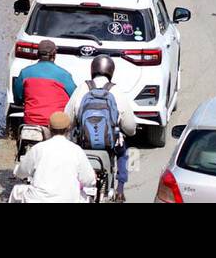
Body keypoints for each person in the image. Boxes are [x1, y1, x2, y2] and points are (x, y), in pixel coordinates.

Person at [65, 55, 137, 202]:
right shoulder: (116, 92)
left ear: (93, 70)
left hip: (82, 143)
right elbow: (130, 128)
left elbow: (67, 119)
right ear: (111, 72)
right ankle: (120, 190)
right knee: (124, 153)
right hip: (108, 145)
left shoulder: (82, 88)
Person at [9, 110, 96, 203]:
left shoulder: (38, 148)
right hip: (68, 200)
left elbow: (21, 173)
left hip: (38, 199)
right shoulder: (76, 150)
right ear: (69, 128)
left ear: (49, 127)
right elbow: (89, 180)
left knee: (16, 190)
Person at [11, 40, 76, 132]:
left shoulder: (24, 72)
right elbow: (74, 99)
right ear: (54, 55)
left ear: (37, 54)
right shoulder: (64, 75)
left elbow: (18, 98)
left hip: (31, 122)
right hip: (56, 124)